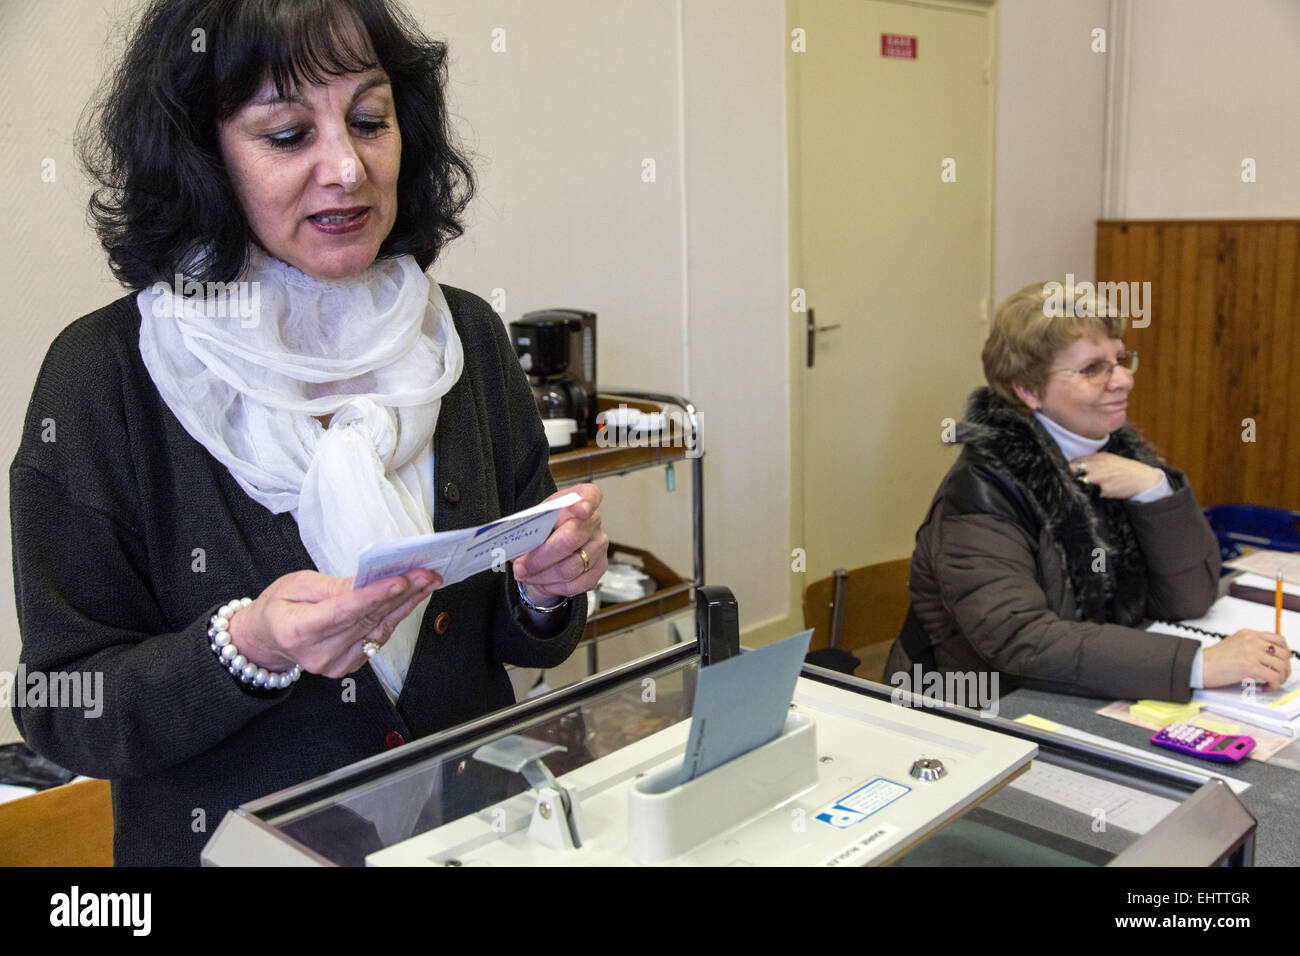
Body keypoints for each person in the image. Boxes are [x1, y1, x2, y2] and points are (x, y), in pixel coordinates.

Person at [10, 0, 608, 866]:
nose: (348, 168)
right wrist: (246, 647)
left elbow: (513, 636)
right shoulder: (107, 375)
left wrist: (550, 587)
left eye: (370, 120)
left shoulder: (463, 337)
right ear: (203, 155)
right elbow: (63, 703)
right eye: (288, 135)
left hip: (474, 838)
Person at [885, 282, 1290, 703]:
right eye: (1093, 369)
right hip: (978, 710)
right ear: (1028, 388)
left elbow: (1189, 598)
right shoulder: (981, 488)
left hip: (1082, 691)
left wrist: (1154, 490)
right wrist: (1197, 665)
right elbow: (1022, 639)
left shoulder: (1119, 458)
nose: (1125, 380)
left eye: (1121, 359)